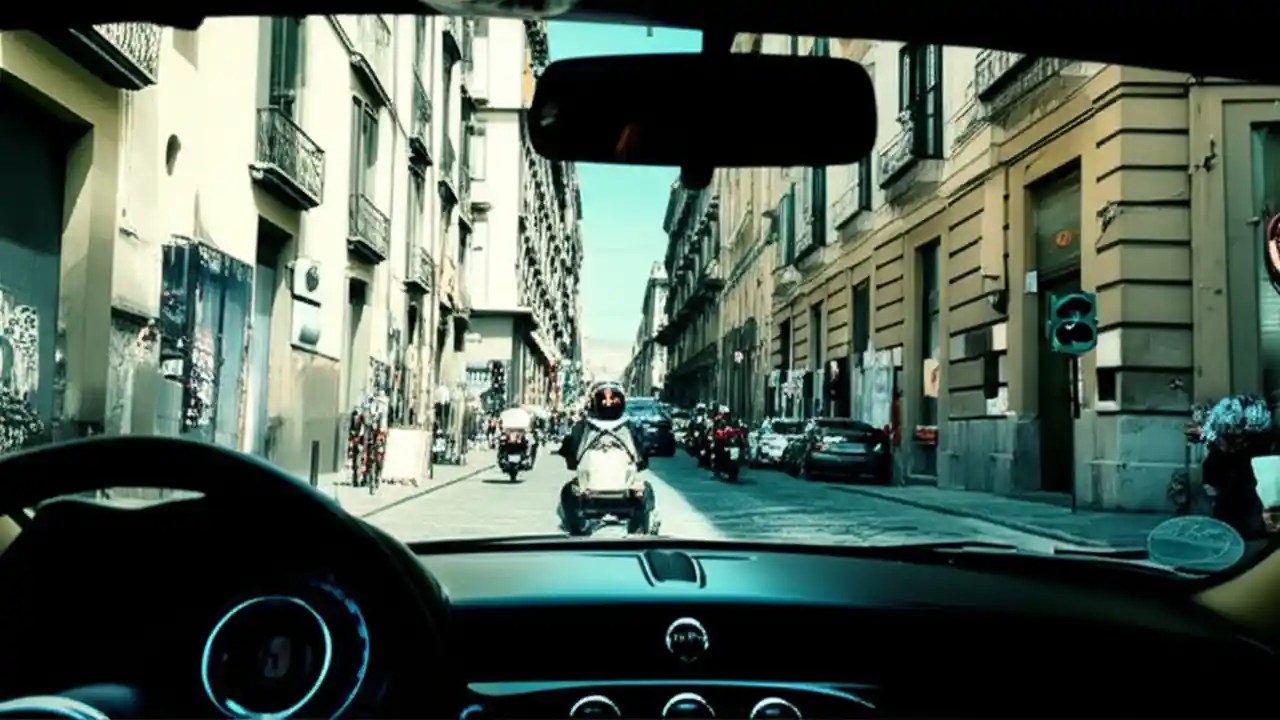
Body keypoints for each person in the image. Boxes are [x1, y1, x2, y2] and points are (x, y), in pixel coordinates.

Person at [556, 380, 654, 534]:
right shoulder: (631, 427)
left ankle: (577, 532)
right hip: (626, 494)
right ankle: (640, 531)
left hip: (588, 493)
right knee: (646, 492)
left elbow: (570, 458)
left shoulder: (582, 427)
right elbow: (643, 458)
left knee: (568, 492)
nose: (608, 402)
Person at [1200, 393, 1274, 541]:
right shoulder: (1219, 457)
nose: (1236, 446)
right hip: (1234, 531)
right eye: (1230, 440)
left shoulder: (1259, 453)